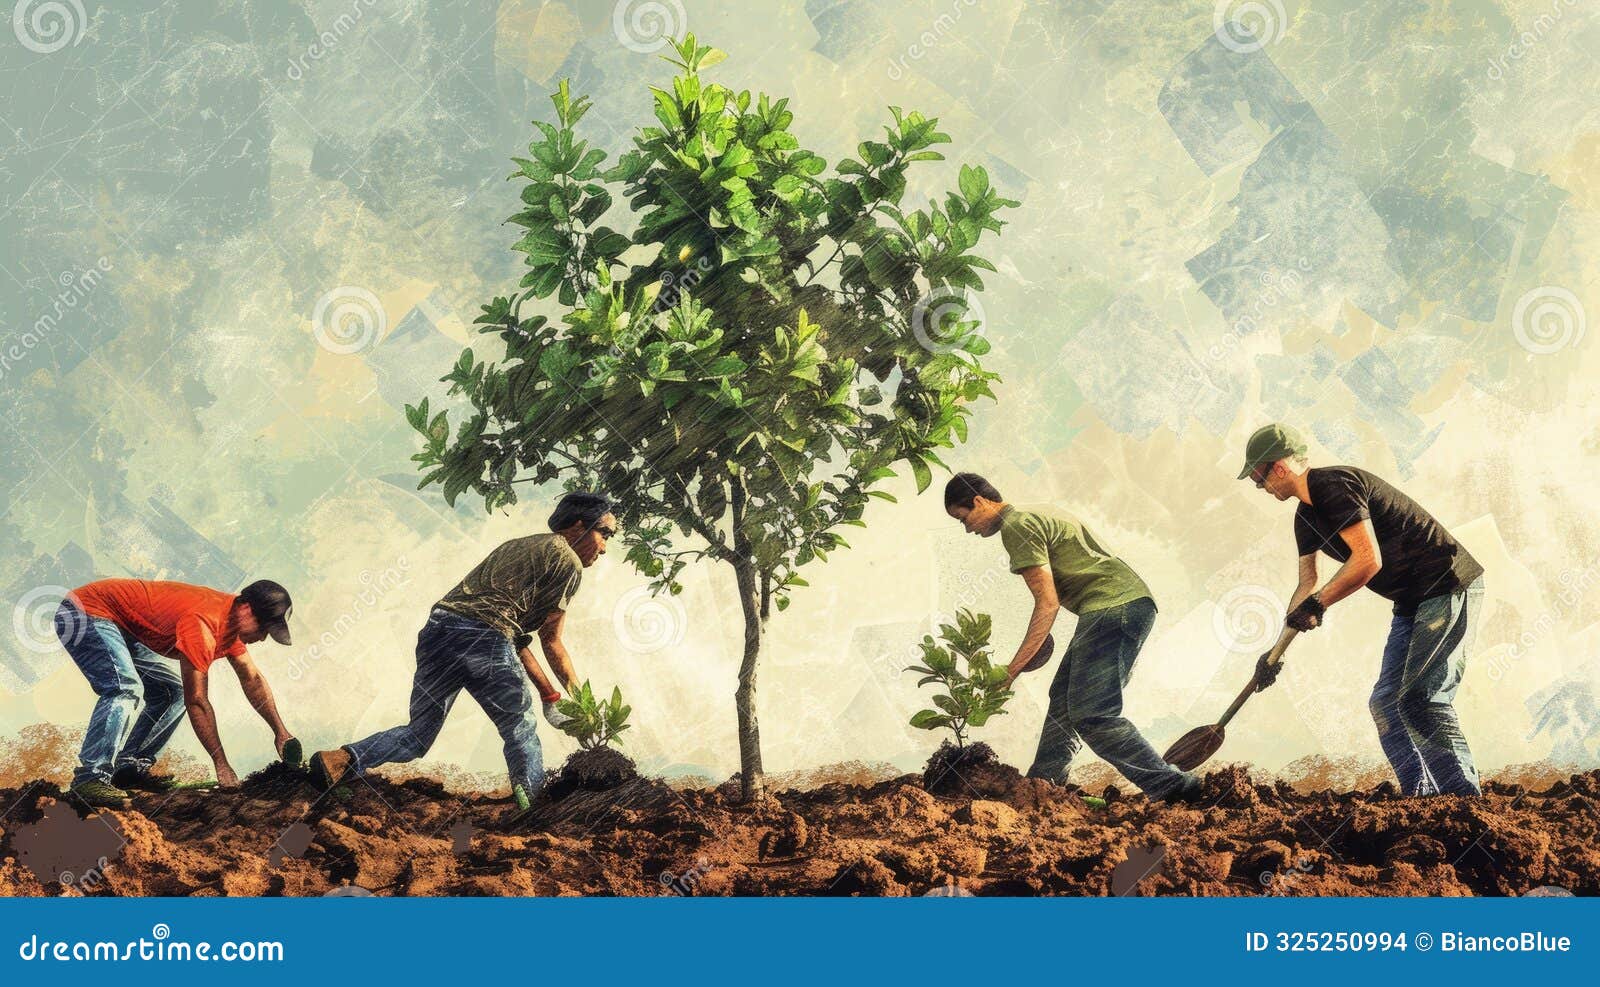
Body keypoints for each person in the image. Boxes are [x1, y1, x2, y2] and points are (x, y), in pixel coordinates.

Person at [310, 492, 615, 806]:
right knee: (518, 727)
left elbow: (513, 636)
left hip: (440, 629)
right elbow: (550, 640)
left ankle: (341, 759)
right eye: (604, 534)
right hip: (484, 636)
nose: (604, 548)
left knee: (418, 735)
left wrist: (549, 695)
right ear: (578, 525)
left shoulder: (517, 547)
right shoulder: (568, 560)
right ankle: (533, 806)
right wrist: (583, 704)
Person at [1239, 423, 1485, 796]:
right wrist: (1273, 654)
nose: (1260, 486)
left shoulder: (1334, 485)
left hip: (1445, 583)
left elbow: (1368, 561)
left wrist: (1319, 605)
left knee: (1422, 698)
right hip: (1410, 601)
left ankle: (1465, 804)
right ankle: (1423, 800)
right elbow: (1307, 585)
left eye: (1258, 477)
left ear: (1278, 468)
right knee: (1386, 704)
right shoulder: (1304, 517)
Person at [944, 473, 1201, 802]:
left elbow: (1047, 604)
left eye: (964, 518)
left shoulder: (1016, 527)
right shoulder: (1033, 514)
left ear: (979, 502)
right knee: (1064, 698)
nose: (967, 528)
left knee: (1094, 713)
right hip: (1122, 605)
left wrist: (1010, 671)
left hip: (1112, 607)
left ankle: (1174, 787)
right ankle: (1043, 785)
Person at [55, 578, 301, 808]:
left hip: (120, 624)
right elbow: (196, 700)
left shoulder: (231, 625)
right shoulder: (203, 623)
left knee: (170, 691)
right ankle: (90, 779)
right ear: (246, 609)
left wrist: (281, 732)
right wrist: (222, 765)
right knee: (124, 687)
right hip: (83, 611)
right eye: (264, 629)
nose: (264, 638)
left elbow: (253, 679)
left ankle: (129, 769)